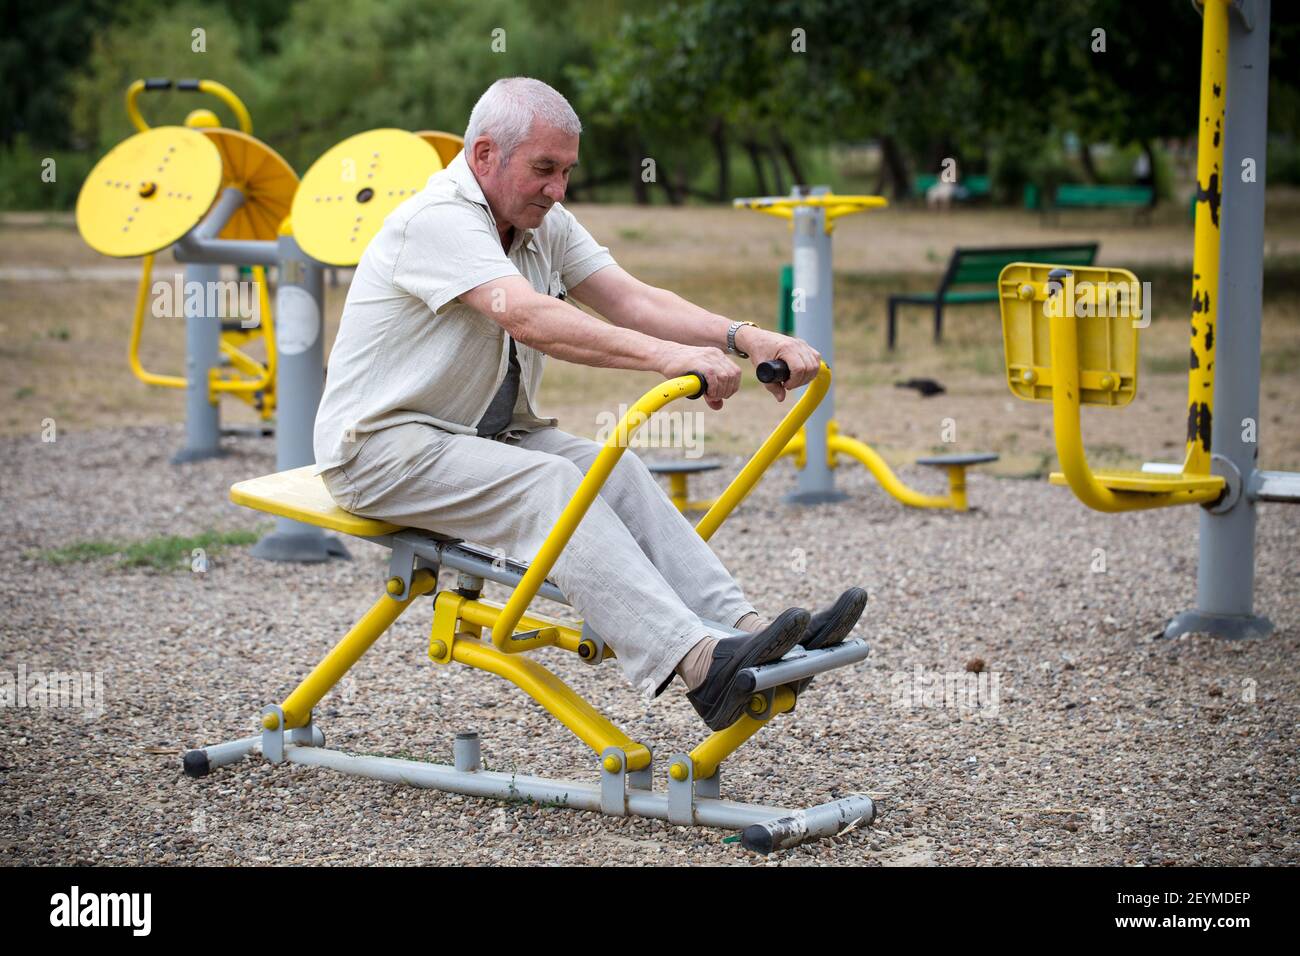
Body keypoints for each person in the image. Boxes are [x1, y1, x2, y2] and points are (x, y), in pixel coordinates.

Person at [313, 77, 867, 732]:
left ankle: (749, 630)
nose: (558, 189)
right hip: (381, 450)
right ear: (485, 155)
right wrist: (665, 357)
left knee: (615, 467)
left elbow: (631, 298)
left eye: (567, 171)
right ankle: (700, 666)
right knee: (551, 485)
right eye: (544, 169)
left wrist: (745, 337)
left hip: (483, 436)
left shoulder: (541, 222)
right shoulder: (437, 221)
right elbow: (526, 315)